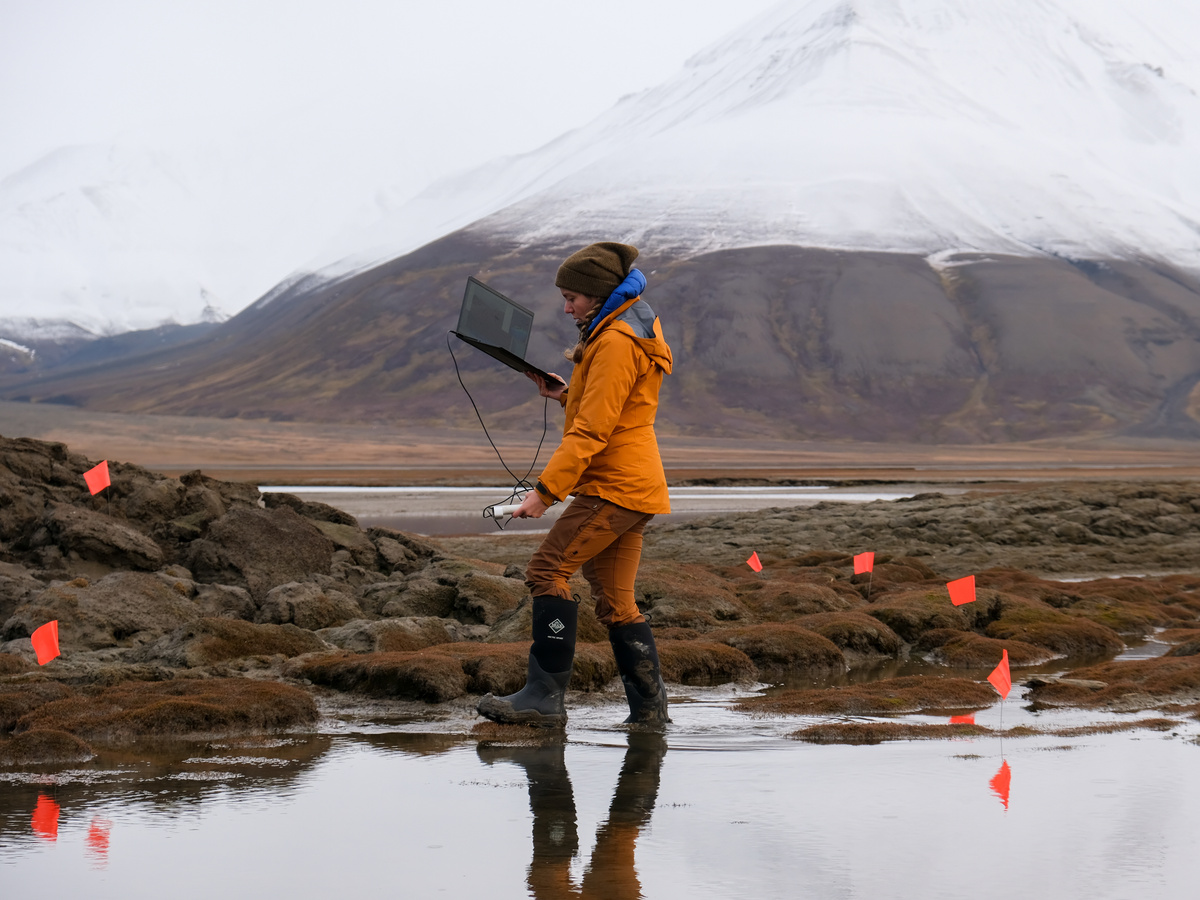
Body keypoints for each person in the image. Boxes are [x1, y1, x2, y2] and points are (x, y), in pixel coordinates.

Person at [476, 241, 673, 727]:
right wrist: (565, 393)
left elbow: (592, 431)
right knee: (617, 602)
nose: (566, 308)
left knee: (546, 572)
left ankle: (543, 699)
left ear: (598, 293)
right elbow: (613, 409)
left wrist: (544, 493)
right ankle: (650, 713)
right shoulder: (623, 326)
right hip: (633, 485)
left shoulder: (615, 341)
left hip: (615, 486)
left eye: (572, 298)